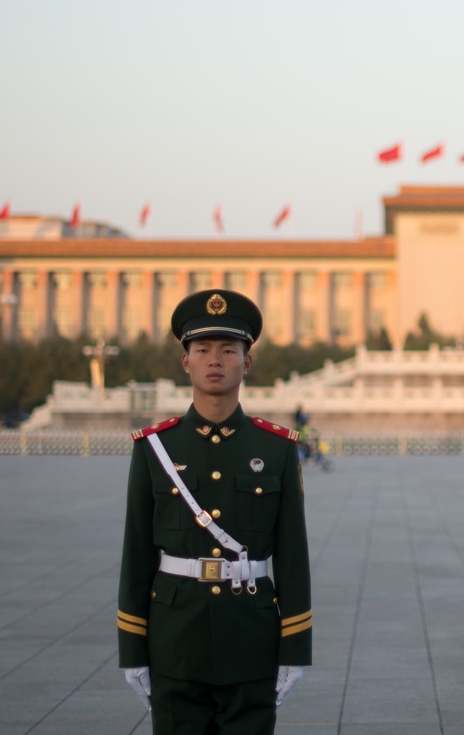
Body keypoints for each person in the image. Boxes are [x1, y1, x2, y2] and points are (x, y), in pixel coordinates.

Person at [118, 289, 312, 734]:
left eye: (229, 350)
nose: (215, 360)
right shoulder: (156, 448)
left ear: (247, 363)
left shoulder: (276, 448)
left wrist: (295, 646)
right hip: (175, 641)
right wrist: (133, 647)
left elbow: (292, 556)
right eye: (202, 349)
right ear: (185, 362)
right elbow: (136, 555)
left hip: (252, 637)